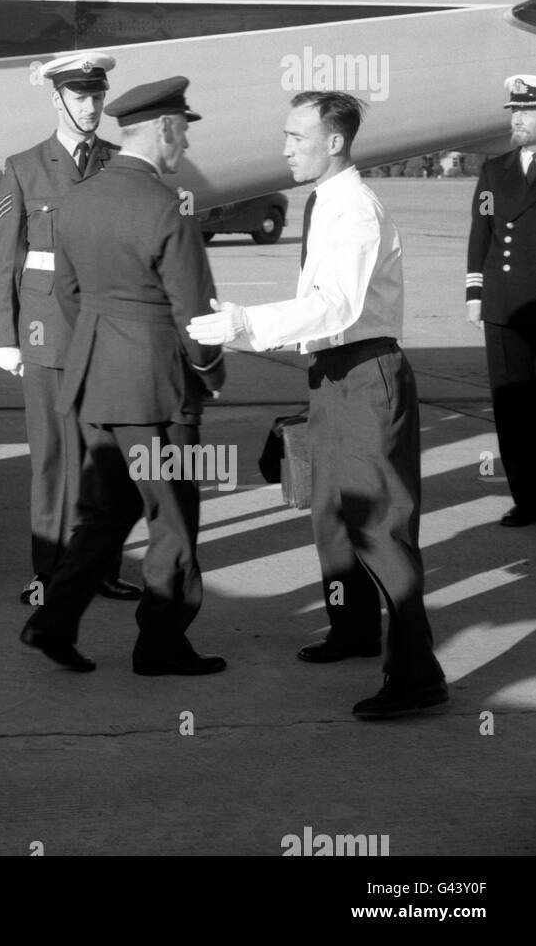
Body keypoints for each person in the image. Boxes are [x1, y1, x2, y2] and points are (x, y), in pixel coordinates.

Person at [189, 91, 447, 720]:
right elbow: (317, 315)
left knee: (379, 526)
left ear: (334, 142)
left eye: (296, 137)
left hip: (366, 375)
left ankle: (418, 675)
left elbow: (339, 306)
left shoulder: (355, 208)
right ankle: (353, 628)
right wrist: (243, 329)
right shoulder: (323, 200)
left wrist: (248, 321)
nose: (285, 149)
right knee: (329, 512)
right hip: (332, 374)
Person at [21, 77, 226, 676]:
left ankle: (53, 621)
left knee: (104, 515)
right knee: (171, 519)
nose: (184, 145)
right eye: (182, 131)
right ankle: (161, 643)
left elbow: (66, 291)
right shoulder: (165, 205)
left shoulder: (77, 199)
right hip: (155, 391)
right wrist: (210, 373)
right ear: (163, 129)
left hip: (93, 383)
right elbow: (196, 311)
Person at [0, 49, 142, 605]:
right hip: (46, 337)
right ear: (57, 99)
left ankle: (99, 567)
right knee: (53, 460)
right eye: (82, 96)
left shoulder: (118, 164)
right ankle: (48, 574)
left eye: (98, 95)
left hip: (105, 340)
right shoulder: (23, 167)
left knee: (105, 463)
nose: (93, 105)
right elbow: (6, 259)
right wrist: (5, 338)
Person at [466, 74, 536, 527]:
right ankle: (527, 497)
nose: (516, 120)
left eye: (526, 112)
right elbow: (482, 231)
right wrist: (475, 293)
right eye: (514, 111)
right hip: (502, 303)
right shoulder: (495, 169)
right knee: (511, 405)